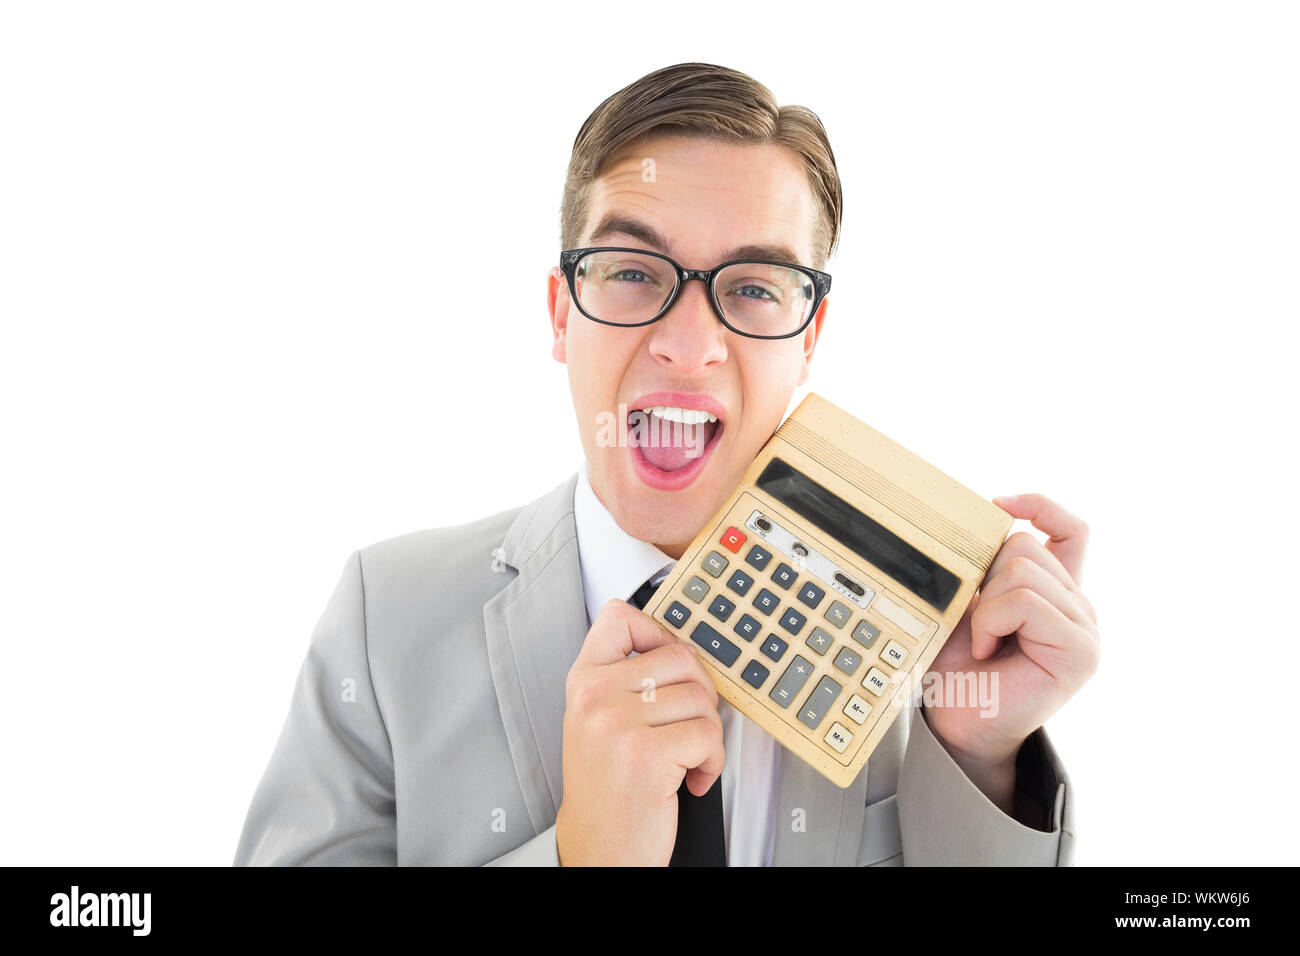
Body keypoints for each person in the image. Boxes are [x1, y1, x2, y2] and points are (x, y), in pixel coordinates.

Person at [233, 62, 1100, 867]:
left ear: (808, 343)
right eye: (634, 273)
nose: (689, 346)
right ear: (561, 315)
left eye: (756, 287)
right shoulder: (382, 624)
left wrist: (980, 758)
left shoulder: (933, 661)